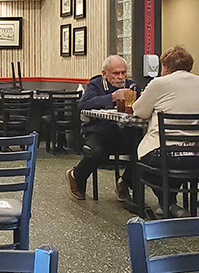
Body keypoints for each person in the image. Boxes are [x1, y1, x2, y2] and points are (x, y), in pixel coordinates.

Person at [132, 45, 199, 217]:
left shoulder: (159, 83)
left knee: (143, 162)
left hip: (165, 156)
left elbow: (139, 111)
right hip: (195, 155)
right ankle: (173, 205)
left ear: (166, 67)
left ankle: (168, 203)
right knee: (179, 167)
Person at [66, 55, 139, 202]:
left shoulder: (131, 86)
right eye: (116, 73)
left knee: (143, 151)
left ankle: (125, 182)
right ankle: (76, 175)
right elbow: (83, 104)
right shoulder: (96, 85)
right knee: (98, 152)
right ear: (105, 74)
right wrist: (112, 97)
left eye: (123, 72)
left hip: (124, 131)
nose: (121, 77)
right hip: (97, 130)